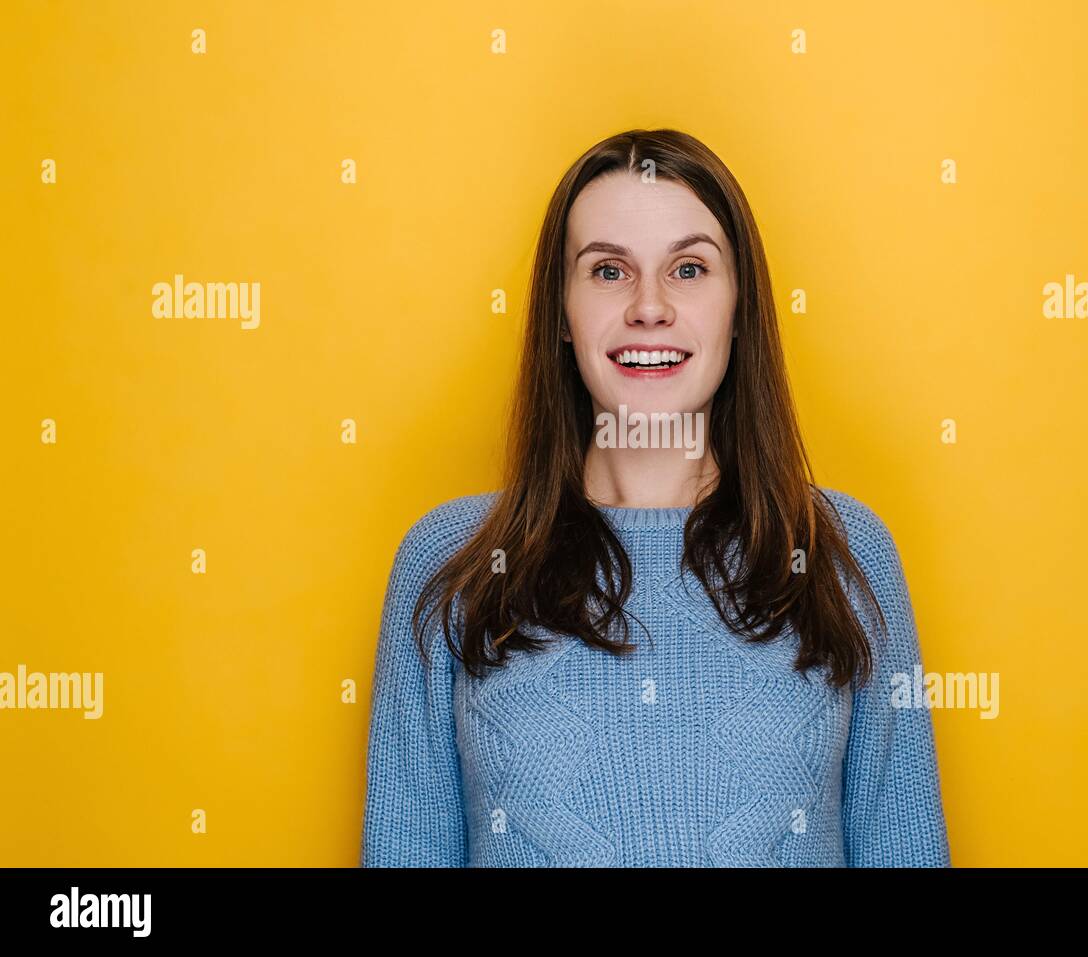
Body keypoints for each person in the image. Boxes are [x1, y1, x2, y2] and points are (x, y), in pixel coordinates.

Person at [361, 128, 951, 867]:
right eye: (608, 270)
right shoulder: (450, 566)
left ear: (740, 309)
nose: (650, 306)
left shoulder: (841, 554)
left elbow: (907, 849)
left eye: (690, 268)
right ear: (562, 317)